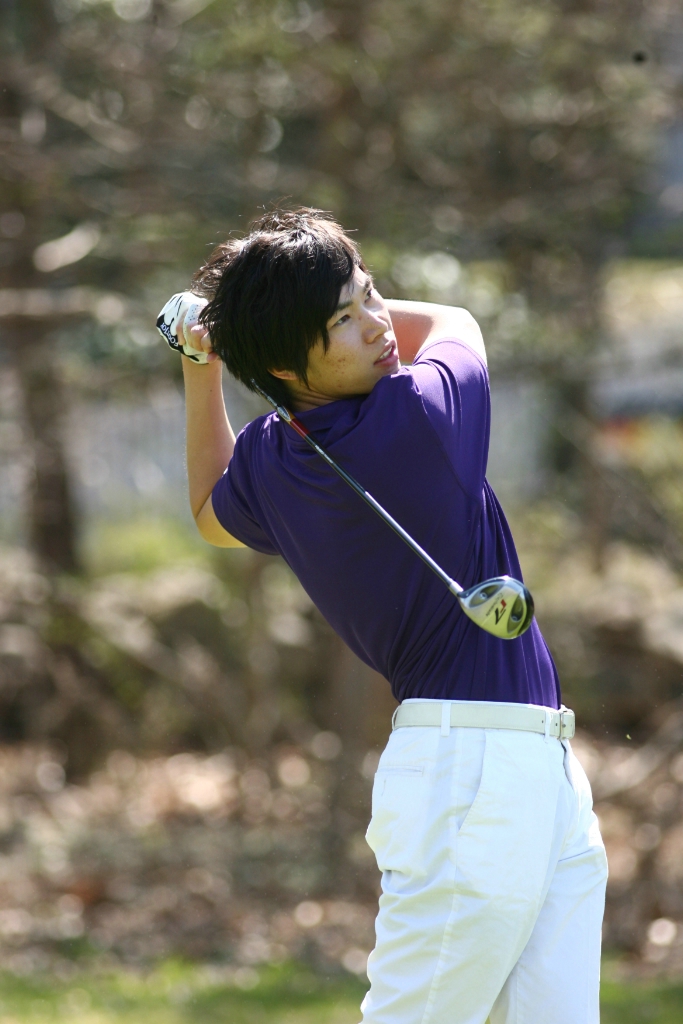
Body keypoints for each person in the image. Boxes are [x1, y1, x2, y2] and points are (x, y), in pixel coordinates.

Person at [157, 207, 608, 1024]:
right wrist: (257, 324)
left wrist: (206, 363)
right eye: (342, 320)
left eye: (368, 298)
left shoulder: (272, 454)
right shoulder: (419, 419)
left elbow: (206, 512)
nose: (375, 327)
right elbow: (454, 319)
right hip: (470, 778)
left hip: (529, 771)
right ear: (288, 364)